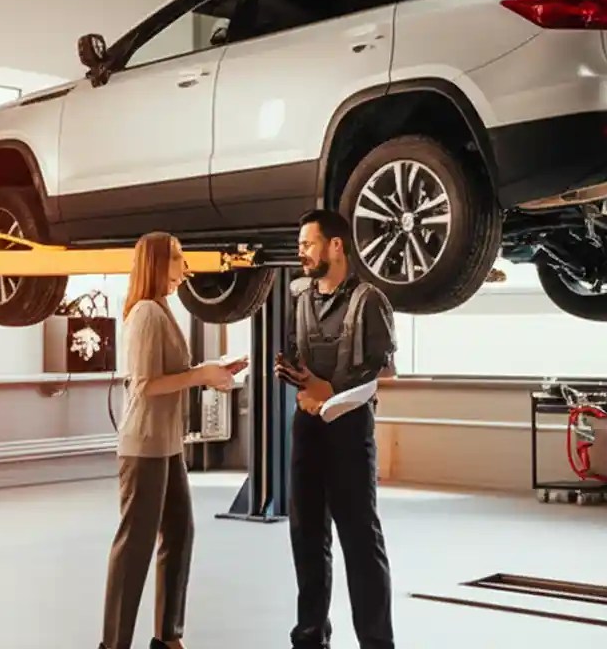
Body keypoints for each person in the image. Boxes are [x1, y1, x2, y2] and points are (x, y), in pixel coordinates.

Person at [100, 231, 248, 649]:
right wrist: (202, 375)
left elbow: (172, 373)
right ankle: (113, 644)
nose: (184, 268)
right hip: (144, 445)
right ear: (155, 263)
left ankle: (168, 637)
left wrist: (213, 367)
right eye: (177, 258)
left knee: (180, 533)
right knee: (135, 547)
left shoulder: (162, 309)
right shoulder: (146, 312)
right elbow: (146, 385)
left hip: (167, 446)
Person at [275, 209, 397, 649]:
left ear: (336, 246)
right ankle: (310, 633)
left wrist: (329, 392)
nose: (301, 253)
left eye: (308, 244)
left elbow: (383, 373)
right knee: (306, 535)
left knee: (360, 539)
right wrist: (294, 378)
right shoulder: (300, 298)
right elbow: (296, 356)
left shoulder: (370, 300)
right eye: (301, 246)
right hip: (306, 428)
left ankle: (376, 641)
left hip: (349, 430)